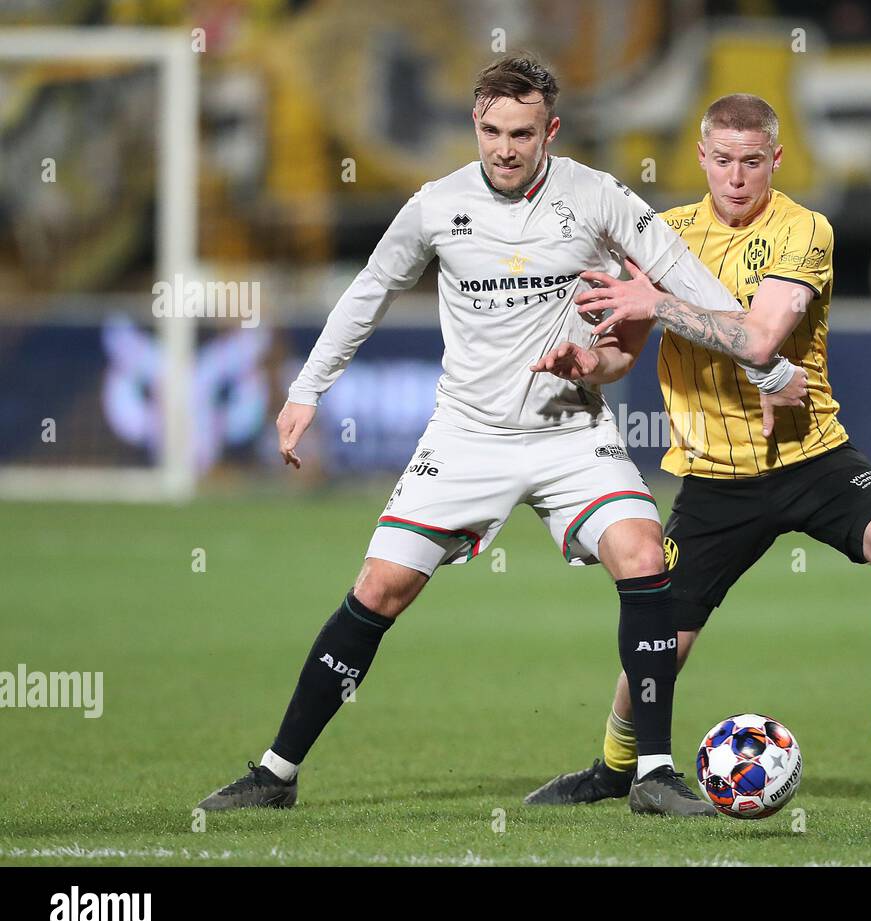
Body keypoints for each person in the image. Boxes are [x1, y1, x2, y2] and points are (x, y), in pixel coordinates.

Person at [197, 58, 802, 817]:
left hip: (571, 429)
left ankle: (651, 771)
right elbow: (369, 293)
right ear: (474, 126)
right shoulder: (437, 205)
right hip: (468, 435)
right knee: (379, 589)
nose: (505, 149)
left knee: (646, 554)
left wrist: (764, 364)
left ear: (550, 131)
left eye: (522, 134)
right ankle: (275, 774)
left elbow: (681, 274)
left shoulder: (597, 196)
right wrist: (306, 390)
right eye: (491, 132)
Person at [524, 94, 871, 808]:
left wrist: (656, 302)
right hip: (715, 477)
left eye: (751, 161)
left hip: (811, 454)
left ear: (775, 160)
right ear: (701, 157)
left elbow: (759, 339)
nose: (735, 176)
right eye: (722, 160)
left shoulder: (804, 229)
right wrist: (585, 363)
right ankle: (613, 767)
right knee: (660, 641)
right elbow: (618, 357)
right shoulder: (661, 235)